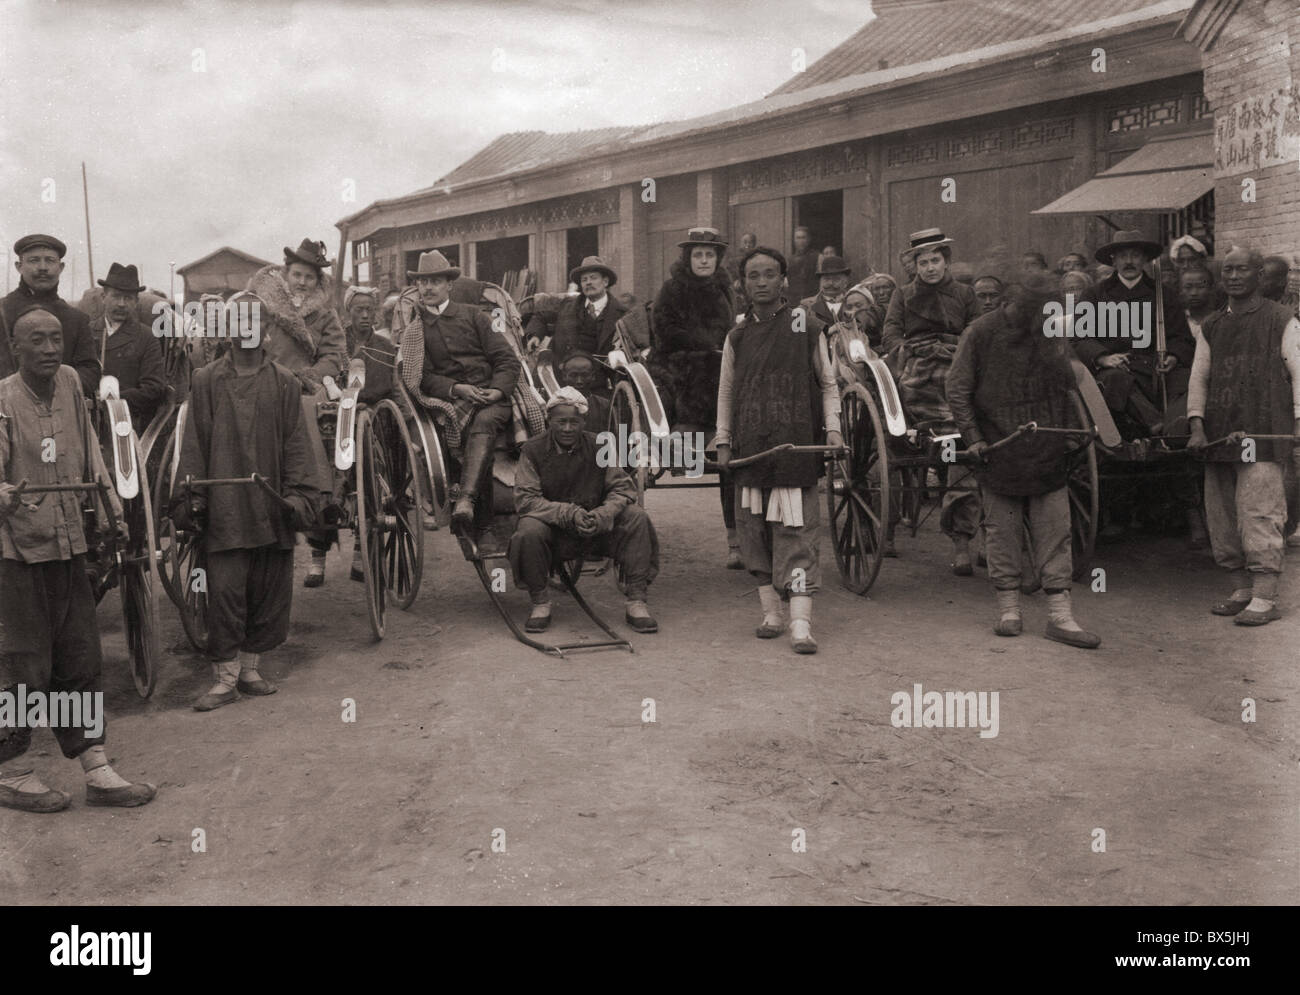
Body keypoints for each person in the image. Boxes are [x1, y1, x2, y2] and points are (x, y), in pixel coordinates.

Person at [0, 305, 156, 810]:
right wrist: (4, 492)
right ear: (16, 348)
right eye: (36, 341)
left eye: (54, 339)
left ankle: (96, 766)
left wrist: (111, 506)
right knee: (22, 665)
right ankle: (12, 770)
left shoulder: (69, 381)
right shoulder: (2, 400)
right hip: (16, 555)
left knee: (80, 659)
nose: (49, 349)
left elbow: (90, 446)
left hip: (68, 544)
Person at [171, 293, 321, 709]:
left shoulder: (285, 384)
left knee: (268, 586)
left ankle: (251, 668)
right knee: (226, 588)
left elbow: (295, 443)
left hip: (270, 503)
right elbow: (195, 443)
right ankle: (224, 677)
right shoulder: (204, 381)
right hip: (225, 505)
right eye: (237, 322)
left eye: (254, 323)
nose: (246, 330)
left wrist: (296, 494)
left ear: (268, 331)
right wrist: (193, 495)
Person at [947, 275, 1101, 648]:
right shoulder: (980, 333)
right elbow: (957, 388)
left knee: (1055, 530)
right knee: (1002, 530)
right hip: (1000, 447)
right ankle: (1009, 609)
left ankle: (1060, 617)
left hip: (1045, 447)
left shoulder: (1048, 331)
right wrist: (975, 439)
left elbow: (1067, 387)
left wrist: (1066, 435)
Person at [716, 247, 843, 654]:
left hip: (795, 442)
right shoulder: (737, 335)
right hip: (752, 445)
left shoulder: (806, 326)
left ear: (784, 280)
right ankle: (771, 612)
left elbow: (827, 383)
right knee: (754, 531)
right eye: (753, 276)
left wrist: (835, 429)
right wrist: (722, 439)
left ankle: (801, 623)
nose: (762, 282)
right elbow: (726, 391)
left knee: (798, 532)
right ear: (743, 284)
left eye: (770, 274)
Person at [1187, 247, 1300, 626]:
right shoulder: (1213, 326)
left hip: (1263, 430)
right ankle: (1240, 589)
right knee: (1221, 515)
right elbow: (1199, 378)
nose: (1234, 277)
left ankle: (1265, 598)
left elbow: (1299, 374)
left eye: (1243, 270)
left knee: (1260, 511)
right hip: (1220, 434)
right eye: (1228, 270)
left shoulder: (1282, 319)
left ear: (1258, 275)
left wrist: (1298, 423)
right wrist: (1197, 425)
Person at [508, 387, 659, 634]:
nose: (567, 428)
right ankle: (540, 602)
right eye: (561, 422)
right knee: (527, 530)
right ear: (549, 421)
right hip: (554, 529)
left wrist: (605, 513)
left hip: (596, 526)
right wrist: (568, 513)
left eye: (574, 422)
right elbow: (526, 500)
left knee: (637, 518)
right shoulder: (532, 450)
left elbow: (622, 488)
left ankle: (636, 600)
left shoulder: (600, 445)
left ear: (584, 422)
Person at [397, 250, 521, 536]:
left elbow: (506, 359)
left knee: (487, 420)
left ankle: (467, 501)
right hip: (451, 402)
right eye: (423, 282)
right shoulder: (416, 331)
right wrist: (456, 389)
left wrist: (498, 391)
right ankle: (476, 515)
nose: (428, 288)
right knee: (475, 423)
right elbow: (420, 376)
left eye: (435, 281)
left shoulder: (475, 316)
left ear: (449, 285)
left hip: (491, 397)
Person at [882, 228, 982, 574]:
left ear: (946, 261)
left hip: (958, 361)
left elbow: (976, 330)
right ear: (915, 266)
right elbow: (892, 333)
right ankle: (933, 430)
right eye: (922, 262)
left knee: (965, 432)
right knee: (920, 390)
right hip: (919, 366)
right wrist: (909, 350)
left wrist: (958, 349)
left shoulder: (966, 294)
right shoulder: (903, 294)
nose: (929, 267)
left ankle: (962, 541)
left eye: (935, 260)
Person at [247, 239, 345, 587]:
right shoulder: (262, 305)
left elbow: (335, 355)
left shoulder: (326, 314)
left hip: (305, 387)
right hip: (261, 383)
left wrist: (310, 376)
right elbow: (245, 344)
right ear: (285, 274)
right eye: (297, 275)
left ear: (318, 281)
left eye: (309, 277)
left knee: (306, 411)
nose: (302, 282)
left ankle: (319, 495)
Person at [649, 227, 740, 567]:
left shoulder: (725, 288)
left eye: (710, 255)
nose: (704, 260)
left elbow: (732, 326)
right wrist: (706, 346)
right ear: (688, 258)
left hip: (720, 357)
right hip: (678, 357)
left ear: (718, 259)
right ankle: (691, 432)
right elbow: (664, 328)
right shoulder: (673, 288)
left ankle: (737, 540)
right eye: (698, 255)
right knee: (707, 372)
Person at [1077, 229, 1196, 439]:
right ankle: (1158, 426)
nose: (1129, 262)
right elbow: (1079, 338)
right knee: (1116, 380)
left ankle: (1183, 431)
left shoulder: (1163, 295)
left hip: (1155, 366)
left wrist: (1173, 357)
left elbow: (1182, 337)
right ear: (1113, 261)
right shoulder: (1094, 295)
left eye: (1135, 255)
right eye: (1123, 256)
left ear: (1145, 260)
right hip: (1116, 366)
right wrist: (1103, 357)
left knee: (1187, 380)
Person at [1, 234, 100, 396]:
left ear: (60, 267)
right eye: (34, 260)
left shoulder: (76, 319)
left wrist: (56, 389)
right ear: (19, 266)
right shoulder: (2, 311)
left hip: (61, 410)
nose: (42, 267)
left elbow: (90, 370)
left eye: (50, 260)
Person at [94, 262, 166, 430]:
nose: (121, 304)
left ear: (136, 302)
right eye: (116, 296)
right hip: (88, 422)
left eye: (128, 298)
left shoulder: (146, 337)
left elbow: (154, 388)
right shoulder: (87, 331)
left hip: (128, 423)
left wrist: (112, 399)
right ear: (103, 297)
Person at [550, 256, 627, 364]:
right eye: (584, 280)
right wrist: (535, 335)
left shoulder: (623, 314)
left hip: (605, 376)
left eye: (593, 277)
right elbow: (541, 315)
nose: (588, 282)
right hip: (569, 374)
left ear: (605, 282)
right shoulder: (567, 306)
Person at [558, 351, 610, 432]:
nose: (579, 381)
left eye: (585, 375)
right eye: (573, 375)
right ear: (564, 376)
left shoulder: (605, 406)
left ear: (593, 376)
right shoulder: (556, 405)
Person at [801, 254, 853, 326]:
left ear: (846, 282)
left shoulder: (855, 304)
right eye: (826, 279)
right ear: (820, 281)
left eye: (836, 279)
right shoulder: (805, 306)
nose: (830, 283)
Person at [786, 226, 820, 303]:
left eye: (803, 237)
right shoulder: (790, 260)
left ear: (809, 240)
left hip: (811, 300)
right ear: (794, 240)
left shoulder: (817, 257)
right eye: (798, 238)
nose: (801, 241)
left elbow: (822, 282)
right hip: (793, 301)